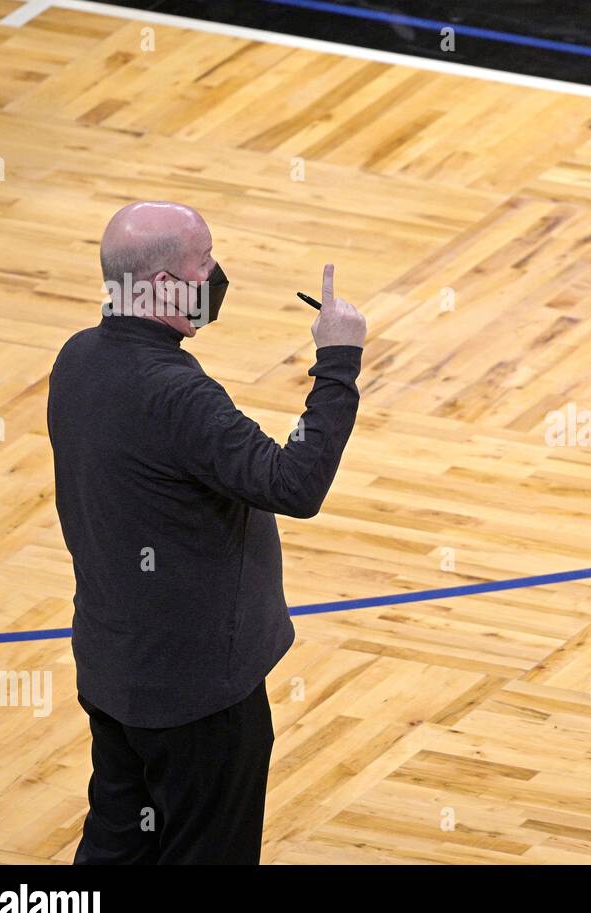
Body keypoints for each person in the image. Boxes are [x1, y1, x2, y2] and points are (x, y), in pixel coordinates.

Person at [47, 201, 367, 863]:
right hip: (196, 693)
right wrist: (337, 363)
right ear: (164, 286)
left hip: (114, 671)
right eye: (205, 260)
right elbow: (293, 484)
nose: (216, 272)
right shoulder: (178, 396)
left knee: (116, 846)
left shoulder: (77, 359)